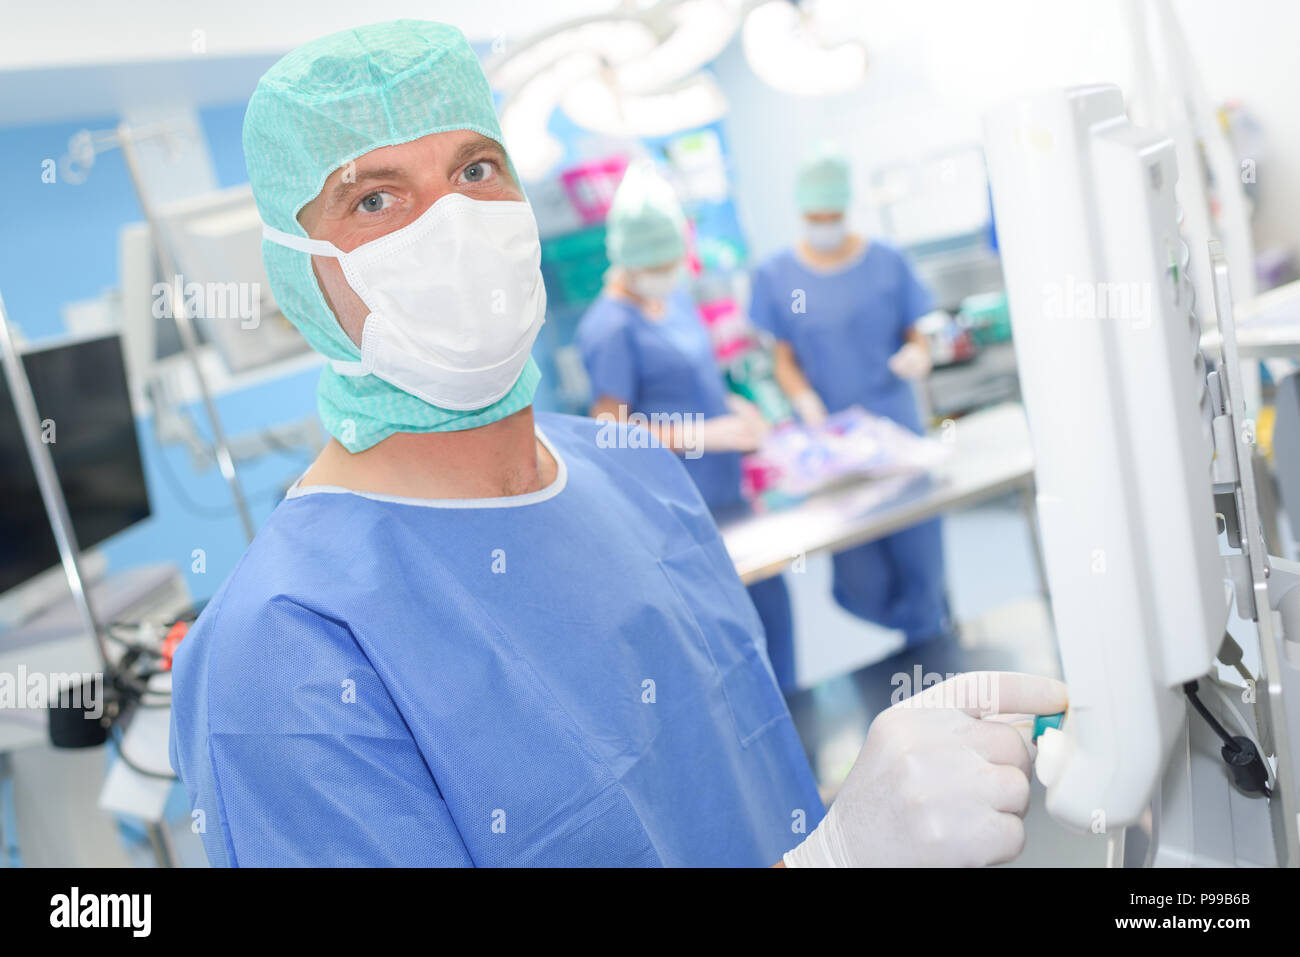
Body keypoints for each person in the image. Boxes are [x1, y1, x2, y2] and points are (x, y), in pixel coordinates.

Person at [168, 19, 1065, 867]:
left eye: (477, 169)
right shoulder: (282, 651)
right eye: (374, 197)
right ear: (299, 273)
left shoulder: (633, 470)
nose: (451, 225)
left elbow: (737, 784)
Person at [575, 166, 796, 691]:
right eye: (655, 263)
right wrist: (705, 435)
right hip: (677, 512)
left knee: (774, 624)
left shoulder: (672, 299)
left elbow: (699, 379)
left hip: (730, 497)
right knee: (728, 650)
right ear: (626, 257)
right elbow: (610, 432)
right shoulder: (609, 328)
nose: (667, 270)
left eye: (671, 259)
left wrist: (739, 414)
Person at [750, 145, 950, 648]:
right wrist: (804, 400)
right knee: (862, 582)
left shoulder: (885, 261)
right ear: (801, 211)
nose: (825, 223)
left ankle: (934, 658)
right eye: (815, 216)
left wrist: (917, 354)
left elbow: (916, 330)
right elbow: (784, 358)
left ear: (846, 208)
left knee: (921, 565)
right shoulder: (777, 276)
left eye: (832, 215)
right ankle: (922, 636)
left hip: (897, 433)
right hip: (833, 447)